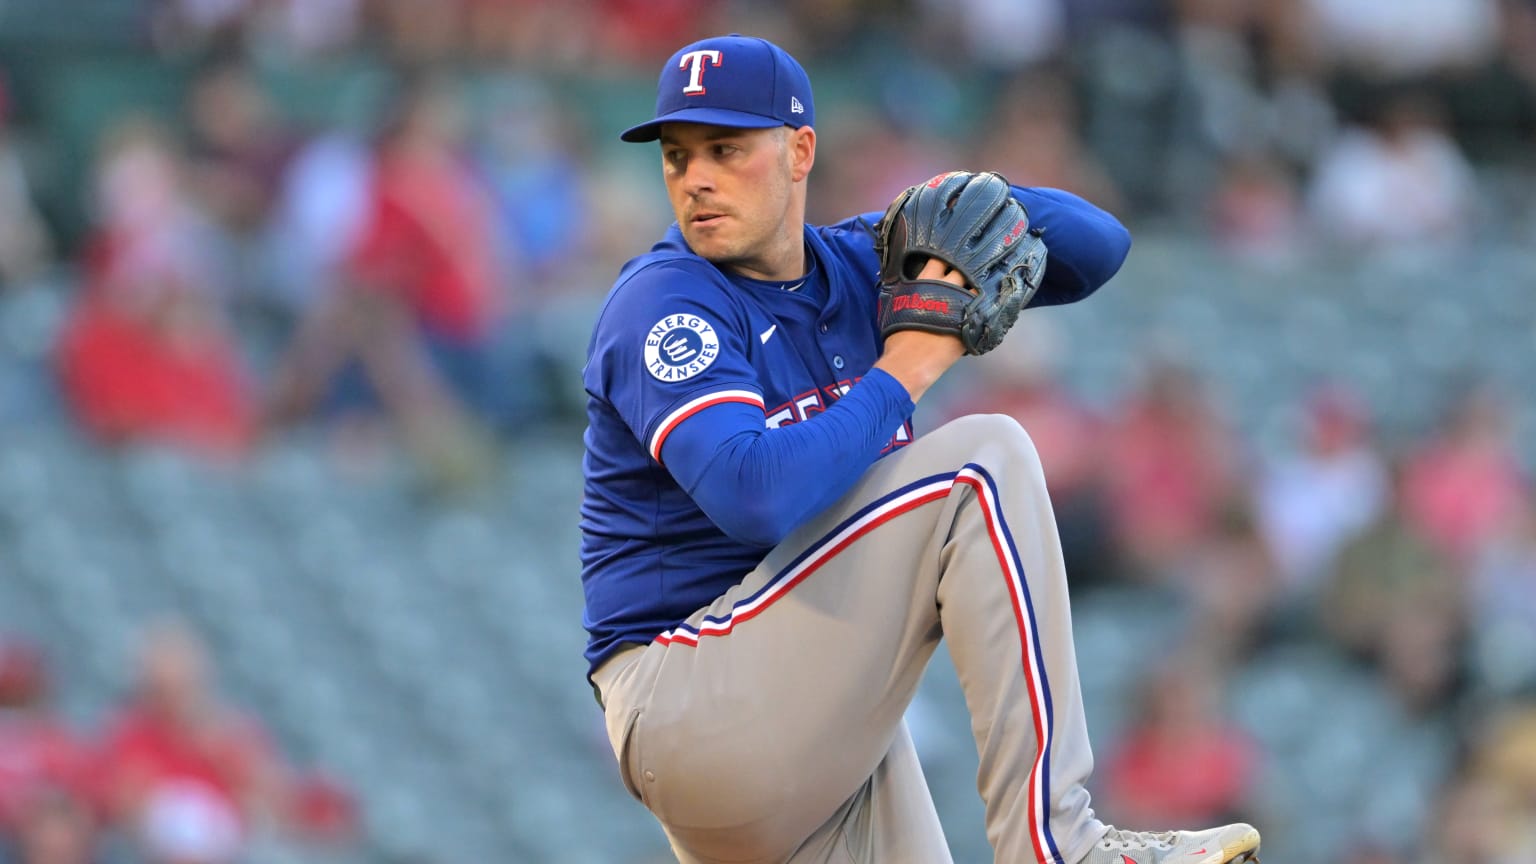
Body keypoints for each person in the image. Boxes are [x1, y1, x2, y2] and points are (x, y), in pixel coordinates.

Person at [579, 33, 1262, 864]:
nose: (697, 178)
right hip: (692, 700)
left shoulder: (864, 261)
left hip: (816, 727)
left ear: (800, 153)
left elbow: (1097, 248)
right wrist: (910, 364)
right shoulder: (666, 300)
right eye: (679, 156)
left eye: (726, 149)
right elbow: (751, 495)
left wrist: (953, 202)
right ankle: (1062, 843)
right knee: (983, 461)